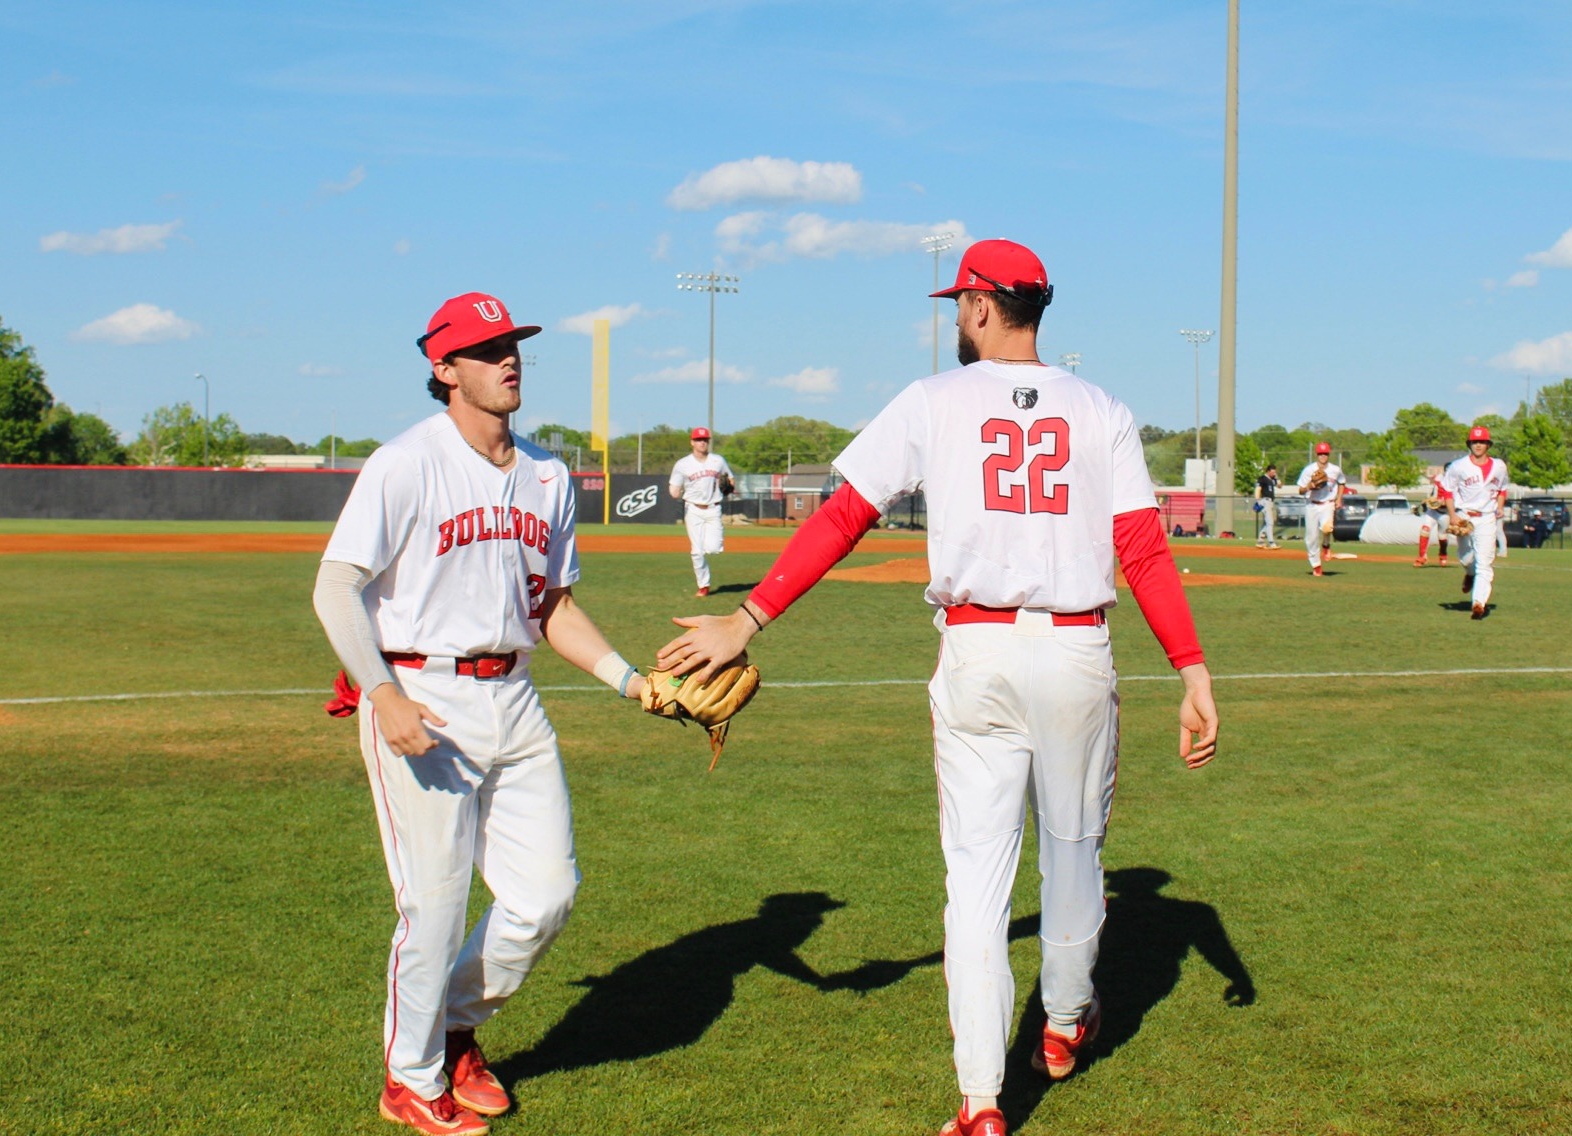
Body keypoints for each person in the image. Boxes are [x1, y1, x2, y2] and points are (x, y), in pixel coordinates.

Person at [652, 239, 1220, 1136]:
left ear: (985, 306)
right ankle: (1064, 1024)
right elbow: (1144, 550)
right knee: (1074, 856)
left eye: (960, 301)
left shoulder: (932, 399)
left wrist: (747, 619)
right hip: (1076, 650)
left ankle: (982, 1100)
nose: (957, 314)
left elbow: (845, 514)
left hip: (976, 652)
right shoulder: (1102, 407)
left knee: (978, 882)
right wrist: (1191, 668)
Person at [313, 292, 656, 1136]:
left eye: (513, 345)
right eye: (486, 348)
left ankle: (455, 1027)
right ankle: (411, 1077)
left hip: (516, 697)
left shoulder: (547, 475)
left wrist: (633, 682)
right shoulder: (406, 462)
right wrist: (382, 692)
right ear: (445, 368)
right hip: (422, 698)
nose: (509, 359)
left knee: (545, 897)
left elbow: (554, 608)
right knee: (433, 907)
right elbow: (336, 586)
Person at [1443, 425, 1509, 619]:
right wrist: (1453, 515)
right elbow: (1448, 491)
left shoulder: (1499, 466)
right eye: (1474, 442)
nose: (1478, 445)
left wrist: (1500, 506)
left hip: (1487, 517)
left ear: (1488, 445)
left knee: (1485, 562)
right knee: (1466, 558)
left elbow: (1503, 489)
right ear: (1469, 444)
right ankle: (1469, 573)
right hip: (1464, 515)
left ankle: (1478, 603)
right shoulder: (1458, 466)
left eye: (1482, 442)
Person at [668, 426, 736, 596]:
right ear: (692, 442)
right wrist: (675, 492)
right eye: (698, 440)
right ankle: (703, 586)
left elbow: (730, 478)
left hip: (714, 508)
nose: (702, 442)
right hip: (693, 509)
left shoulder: (717, 461)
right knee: (696, 551)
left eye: (705, 439)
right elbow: (674, 489)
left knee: (713, 548)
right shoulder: (683, 464)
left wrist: (729, 486)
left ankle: (705, 569)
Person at [1295, 442, 1344, 577]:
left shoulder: (1335, 470)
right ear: (1317, 455)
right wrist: (1308, 486)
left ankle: (1326, 545)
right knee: (1311, 538)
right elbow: (1300, 490)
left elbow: (1342, 482)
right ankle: (1316, 565)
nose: (1323, 456)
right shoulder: (1309, 470)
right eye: (1321, 453)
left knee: (1327, 528)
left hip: (1328, 504)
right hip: (1312, 505)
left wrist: (1339, 498)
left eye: (1325, 453)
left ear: (1329, 455)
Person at [1415, 479, 1452, 568]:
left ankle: (1443, 555)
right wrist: (1427, 501)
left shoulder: (1456, 484)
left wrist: (1444, 503)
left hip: (1445, 513)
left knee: (1442, 536)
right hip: (1433, 511)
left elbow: (1456, 501)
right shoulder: (1439, 482)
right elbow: (1432, 497)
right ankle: (1422, 557)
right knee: (1425, 529)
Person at [1255, 462, 1280, 547]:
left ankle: (1260, 541)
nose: (1274, 473)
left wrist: (1277, 478)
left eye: (1275, 472)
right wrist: (1258, 500)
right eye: (1272, 472)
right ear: (1268, 471)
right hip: (1265, 501)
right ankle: (1271, 542)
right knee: (1270, 522)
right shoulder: (1262, 478)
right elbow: (1258, 489)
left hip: (1271, 502)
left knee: (1267, 522)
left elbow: (1280, 486)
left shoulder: (1272, 479)